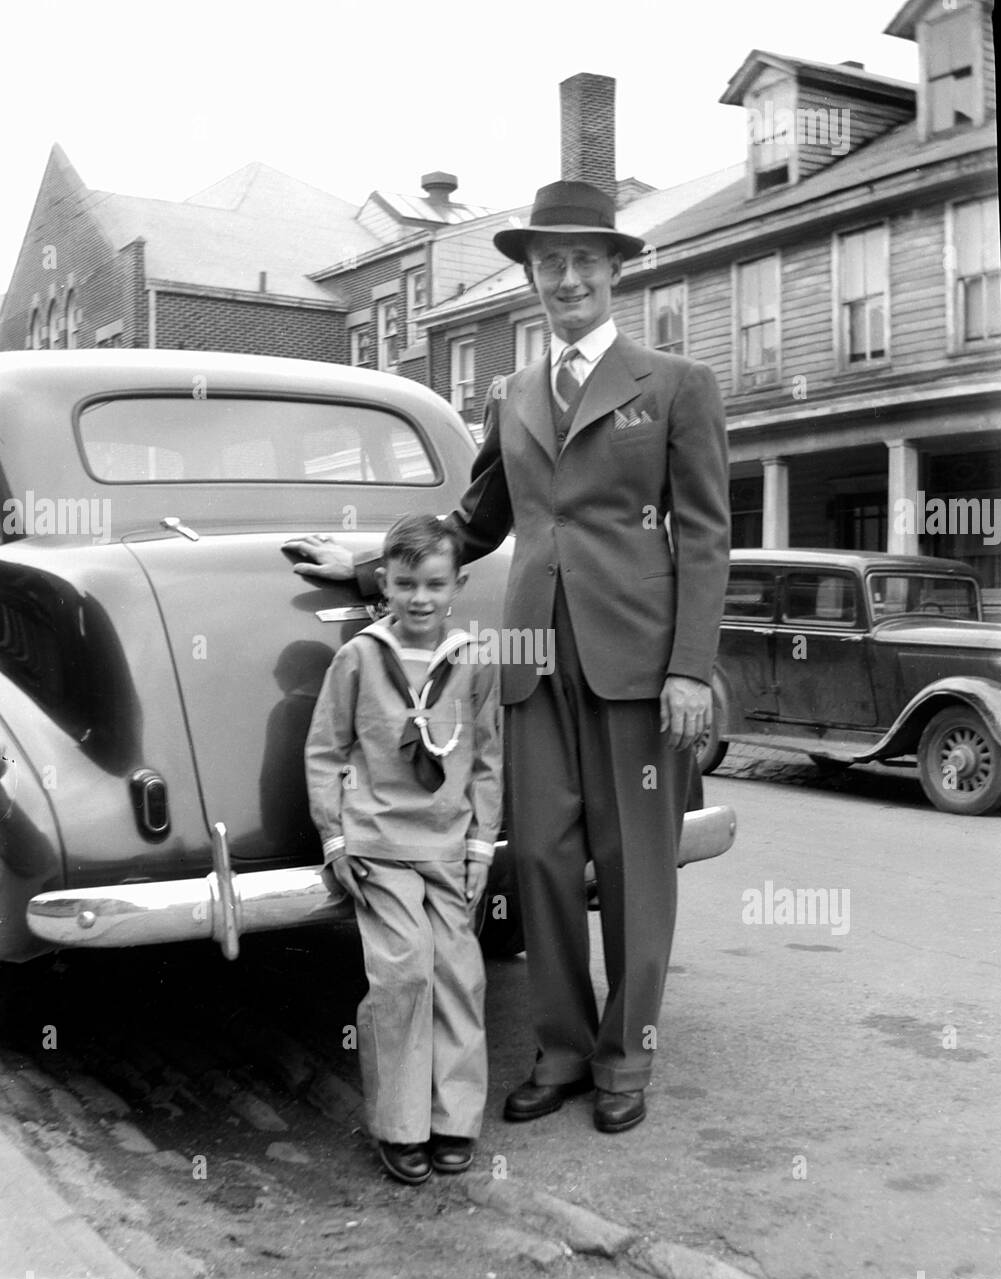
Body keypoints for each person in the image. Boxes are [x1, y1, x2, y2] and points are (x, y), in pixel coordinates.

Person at [294, 179, 730, 1135]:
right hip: (531, 656)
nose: (564, 278)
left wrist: (691, 667)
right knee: (535, 858)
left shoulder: (675, 387)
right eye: (547, 265)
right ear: (531, 278)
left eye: (582, 261)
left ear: (613, 270)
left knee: (634, 868)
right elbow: (475, 520)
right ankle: (565, 1050)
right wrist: (368, 566)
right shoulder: (518, 393)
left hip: (640, 663)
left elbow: (703, 539)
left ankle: (626, 1059)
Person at [304, 514, 502, 1184]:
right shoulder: (358, 657)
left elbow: (487, 762)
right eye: (407, 583)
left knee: (458, 973)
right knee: (404, 972)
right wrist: (334, 835)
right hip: (379, 845)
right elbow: (326, 750)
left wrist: (480, 846)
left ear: (458, 585)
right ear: (383, 582)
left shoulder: (474, 661)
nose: (420, 598)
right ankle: (400, 1126)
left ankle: (453, 1121)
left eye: (435, 584)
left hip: (448, 847)